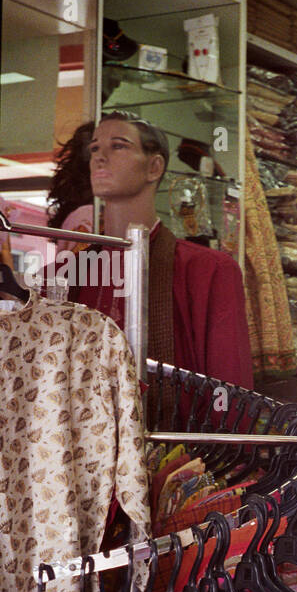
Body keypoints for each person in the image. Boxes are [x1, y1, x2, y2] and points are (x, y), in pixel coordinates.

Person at [68, 110, 253, 390]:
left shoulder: (208, 270)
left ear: (154, 167)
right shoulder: (67, 274)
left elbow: (230, 390)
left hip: (173, 430)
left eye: (118, 145)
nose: (99, 157)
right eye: (94, 148)